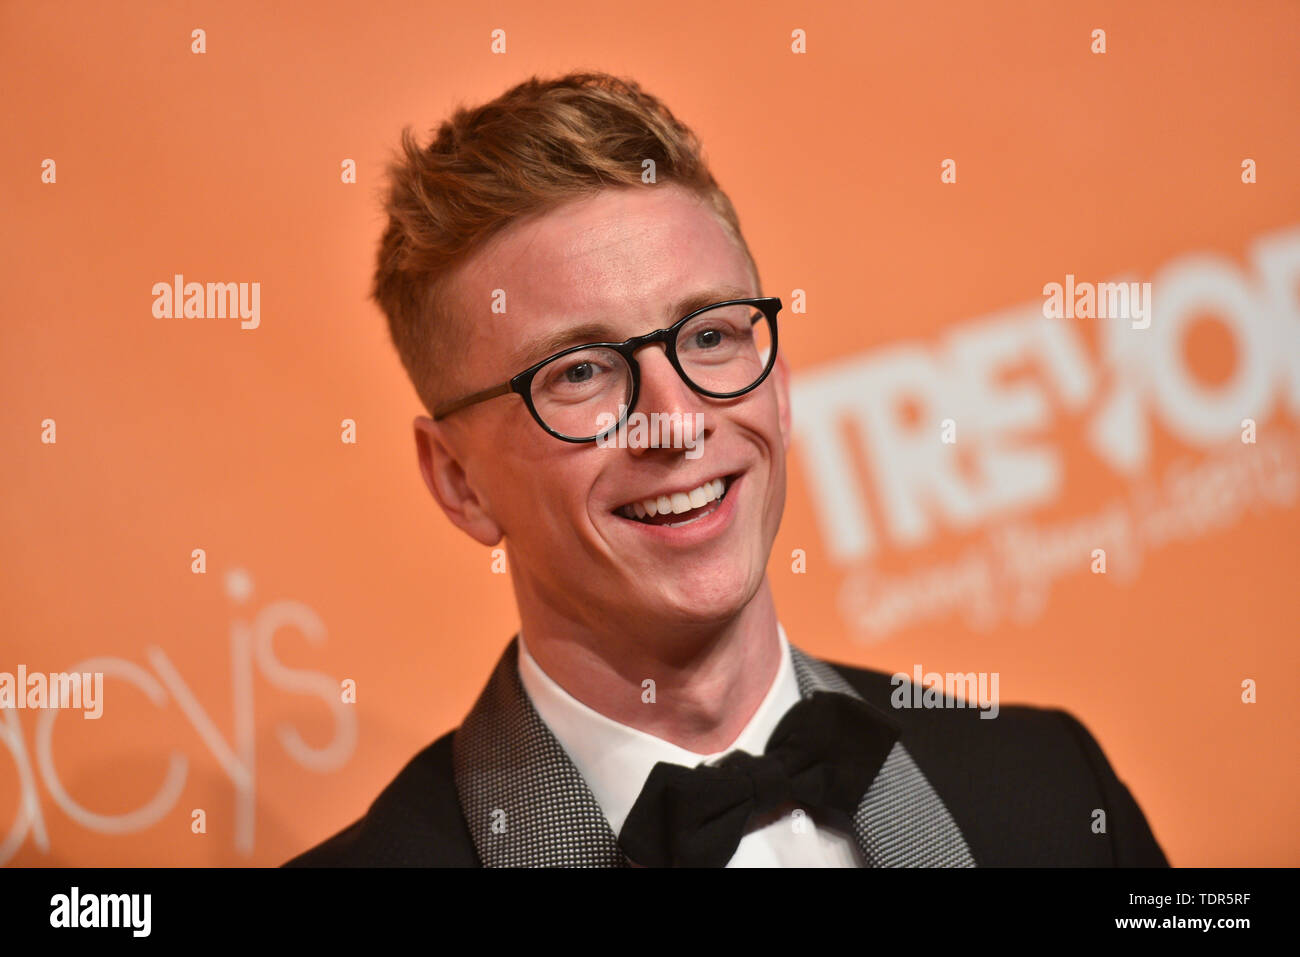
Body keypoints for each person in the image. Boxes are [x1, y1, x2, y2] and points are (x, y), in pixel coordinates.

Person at [285, 71, 1167, 868]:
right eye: (581, 370)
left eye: (708, 337)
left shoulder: (1053, 791)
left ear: (778, 385)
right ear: (458, 480)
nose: (677, 422)